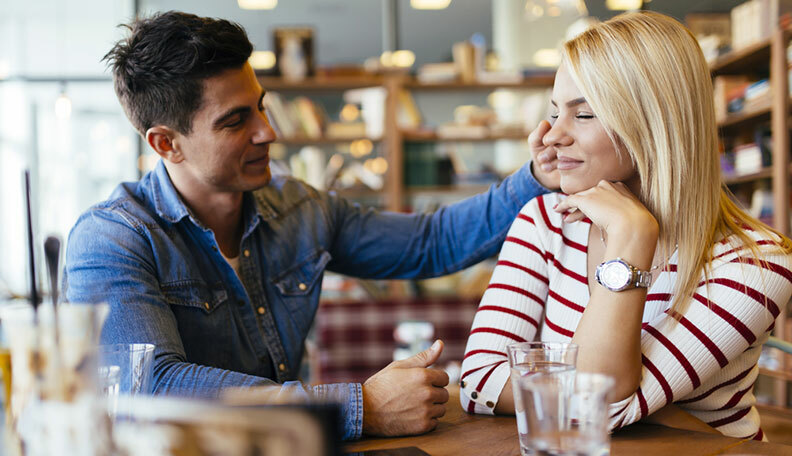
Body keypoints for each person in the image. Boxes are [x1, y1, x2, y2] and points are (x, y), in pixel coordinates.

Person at [63, 11, 558, 441]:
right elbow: (150, 388)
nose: (268, 131)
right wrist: (357, 407)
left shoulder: (298, 207)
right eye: (236, 121)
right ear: (166, 144)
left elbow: (432, 242)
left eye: (261, 105)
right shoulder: (112, 239)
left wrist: (537, 176)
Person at [460, 11, 792, 441]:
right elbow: (477, 382)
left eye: (583, 115)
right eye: (556, 111)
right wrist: (638, 408)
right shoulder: (543, 223)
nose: (550, 136)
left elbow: (595, 407)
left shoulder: (756, 265)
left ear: (654, 125)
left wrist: (631, 238)